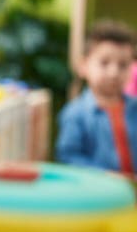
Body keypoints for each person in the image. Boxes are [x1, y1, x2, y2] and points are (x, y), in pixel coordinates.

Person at [56, 21, 137, 175]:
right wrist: (105, 175)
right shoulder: (75, 114)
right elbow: (68, 157)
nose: (114, 72)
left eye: (123, 65)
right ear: (83, 66)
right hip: (98, 193)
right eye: (104, 63)